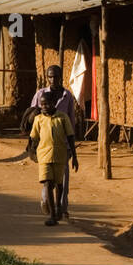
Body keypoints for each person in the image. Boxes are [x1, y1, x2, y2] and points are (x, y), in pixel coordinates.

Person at [20, 65, 79, 218]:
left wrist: (72, 148)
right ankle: (47, 203)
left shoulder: (67, 96)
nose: (53, 80)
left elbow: (71, 120)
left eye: (56, 77)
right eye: (50, 77)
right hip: (44, 146)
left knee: (62, 180)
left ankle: (61, 208)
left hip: (62, 145)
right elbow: (31, 117)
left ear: (61, 77)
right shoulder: (40, 94)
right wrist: (32, 145)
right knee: (47, 179)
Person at [29, 94, 77, 226]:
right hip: (44, 156)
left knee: (59, 184)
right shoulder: (38, 119)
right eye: (42, 104)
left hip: (60, 155)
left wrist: (74, 156)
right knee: (47, 183)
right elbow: (34, 138)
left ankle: (58, 208)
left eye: (47, 104)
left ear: (55, 103)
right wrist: (32, 152)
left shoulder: (62, 117)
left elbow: (71, 137)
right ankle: (52, 215)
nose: (44, 107)